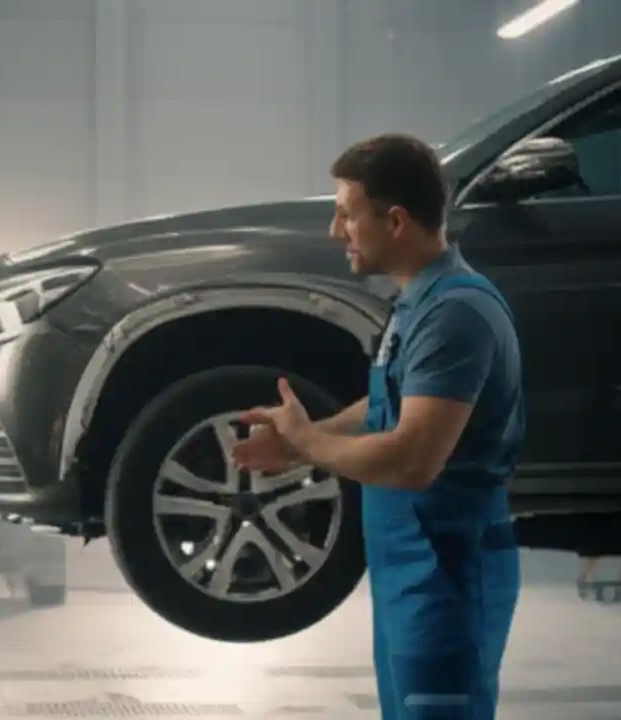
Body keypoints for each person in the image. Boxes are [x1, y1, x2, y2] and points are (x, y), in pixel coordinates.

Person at [232, 134, 525, 719]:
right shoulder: (419, 304)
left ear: (394, 221)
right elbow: (383, 408)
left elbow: (411, 460)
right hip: (409, 571)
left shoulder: (456, 314)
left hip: (448, 575)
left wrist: (312, 445)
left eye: (345, 214)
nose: (335, 231)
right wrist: (297, 442)